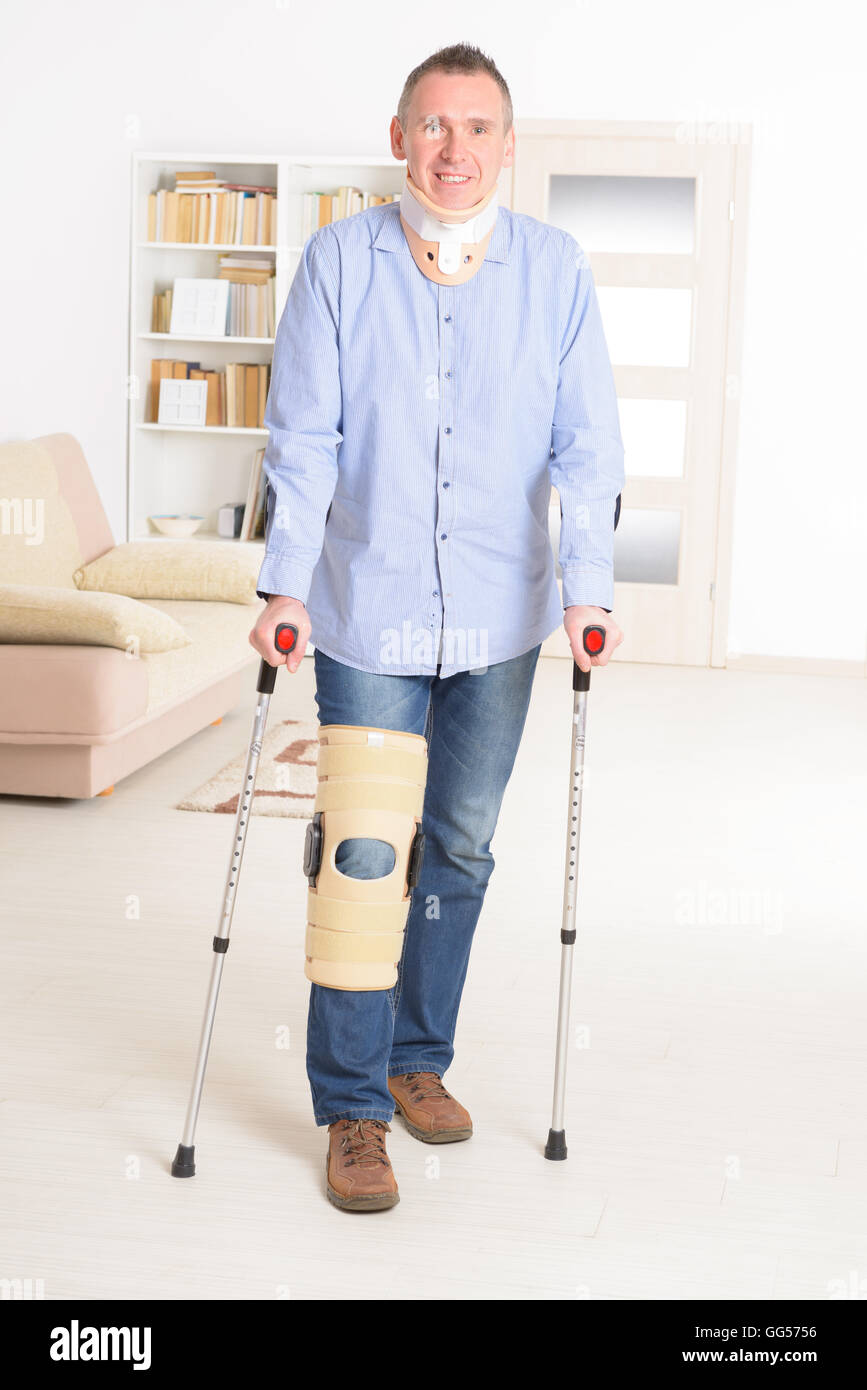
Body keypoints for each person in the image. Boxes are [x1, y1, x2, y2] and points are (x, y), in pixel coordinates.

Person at [249, 43, 625, 1212]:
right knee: (368, 853)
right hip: (368, 611)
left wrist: (589, 582)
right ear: (398, 136)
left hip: (503, 617)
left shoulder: (555, 271)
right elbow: (303, 440)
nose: (452, 150)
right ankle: (353, 1106)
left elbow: (588, 443)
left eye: (476, 128)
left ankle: (419, 1062)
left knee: (458, 849)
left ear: (509, 146)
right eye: (432, 125)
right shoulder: (338, 263)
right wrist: (282, 582)